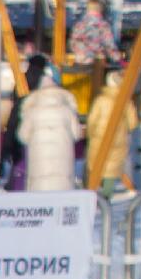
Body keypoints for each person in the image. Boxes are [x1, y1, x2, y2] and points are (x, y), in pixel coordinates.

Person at [19, 55, 84, 193]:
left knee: (40, 198)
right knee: (61, 197)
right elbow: (77, 134)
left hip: (39, 169)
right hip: (62, 170)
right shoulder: (67, 110)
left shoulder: (32, 110)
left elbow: (23, 136)